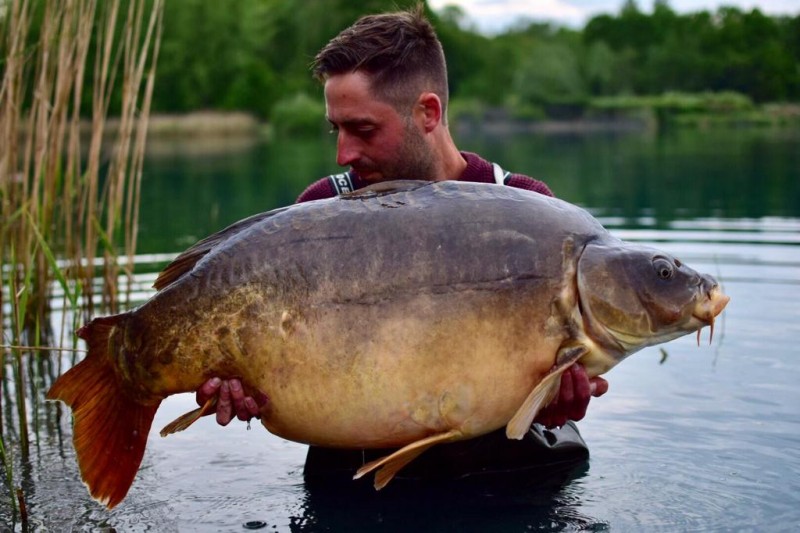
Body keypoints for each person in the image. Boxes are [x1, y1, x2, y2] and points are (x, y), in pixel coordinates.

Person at [196, 4, 609, 481]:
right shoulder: (321, 209)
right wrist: (245, 384)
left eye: (363, 129)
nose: (343, 153)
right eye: (336, 128)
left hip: (501, 479)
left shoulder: (529, 210)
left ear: (428, 112)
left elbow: (553, 377)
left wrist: (556, 401)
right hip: (356, 482)